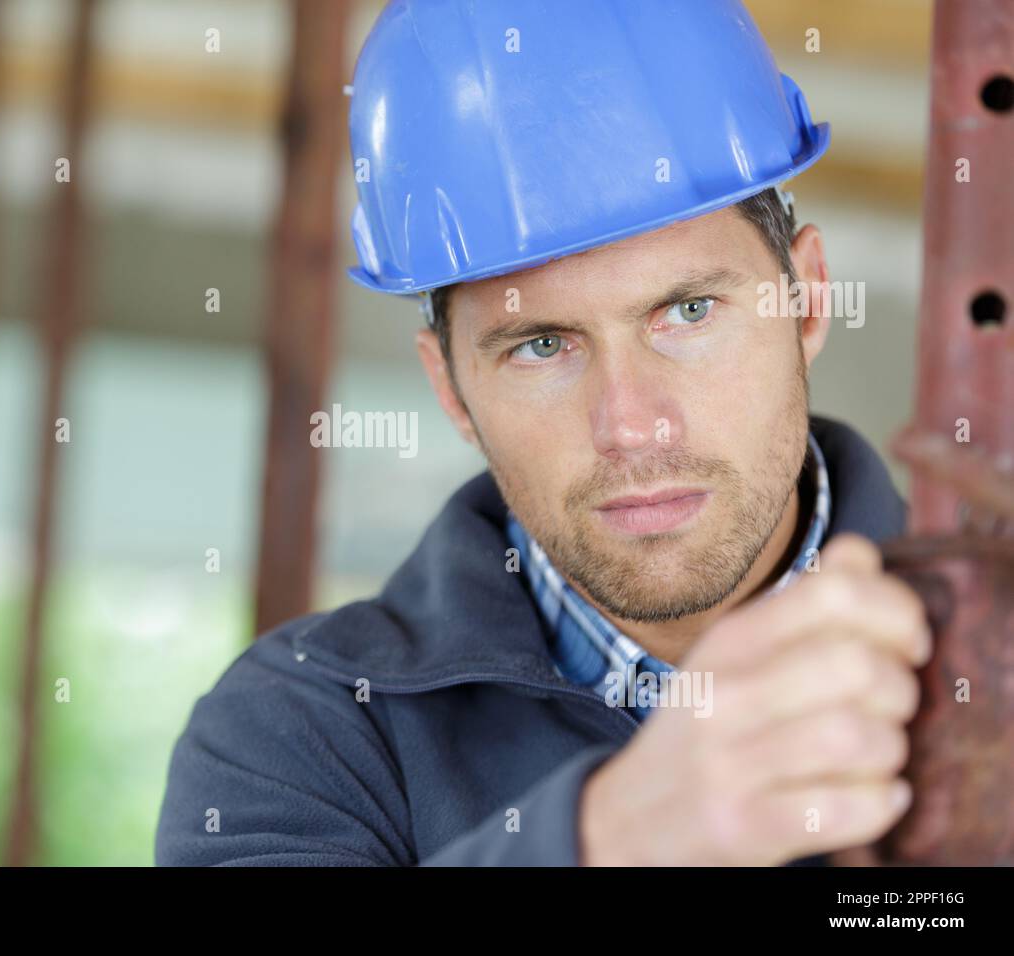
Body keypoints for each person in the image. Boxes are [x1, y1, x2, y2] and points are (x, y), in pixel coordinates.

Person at [155, 0, 931, 866]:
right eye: (541, 345)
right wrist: (614, 839)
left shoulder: (991, 651)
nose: (632, 426)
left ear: (809, 297)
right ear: (450, 386)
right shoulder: (302, 732)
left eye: (688, 310)